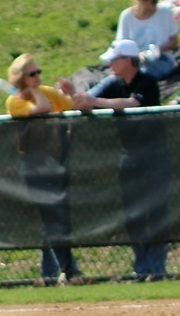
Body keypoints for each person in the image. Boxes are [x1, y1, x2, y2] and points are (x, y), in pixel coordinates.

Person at [72, 39, 170, 280]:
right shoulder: (113, 82)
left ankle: (156, 268)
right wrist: (78, 98)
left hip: (154, 155)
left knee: (156, 212)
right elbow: (90, 100)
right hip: (130, 156)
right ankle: (142, 266)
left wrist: (94, 102)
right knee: (131, 214)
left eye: (114, 59)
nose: (109, 63)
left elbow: (132, 103)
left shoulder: (146, 80)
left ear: (128, 60)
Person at [5, 55, 84, 285]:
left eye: (39, 72)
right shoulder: (15, 101)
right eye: (32, 74)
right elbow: (42, 108)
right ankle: (69, 272)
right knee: (52, 218)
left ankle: (52, 273)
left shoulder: (47, 91)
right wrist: (32, 91)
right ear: (21, 77)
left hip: (57, 160)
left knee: (56, 219)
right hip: (35, 165)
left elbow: (73, 105)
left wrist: (70, 91)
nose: (38, 77)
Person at [116, 0, 180, 80]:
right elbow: (121, 46)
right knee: (116, 79)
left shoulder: (165, 12)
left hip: (162, 59)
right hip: (135, 62)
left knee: (142, 76)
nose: (156, 4)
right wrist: (137, 56)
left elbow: (175, 40)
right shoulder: (126, 16)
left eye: (157, 0)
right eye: (153, 1)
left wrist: (158, 50)